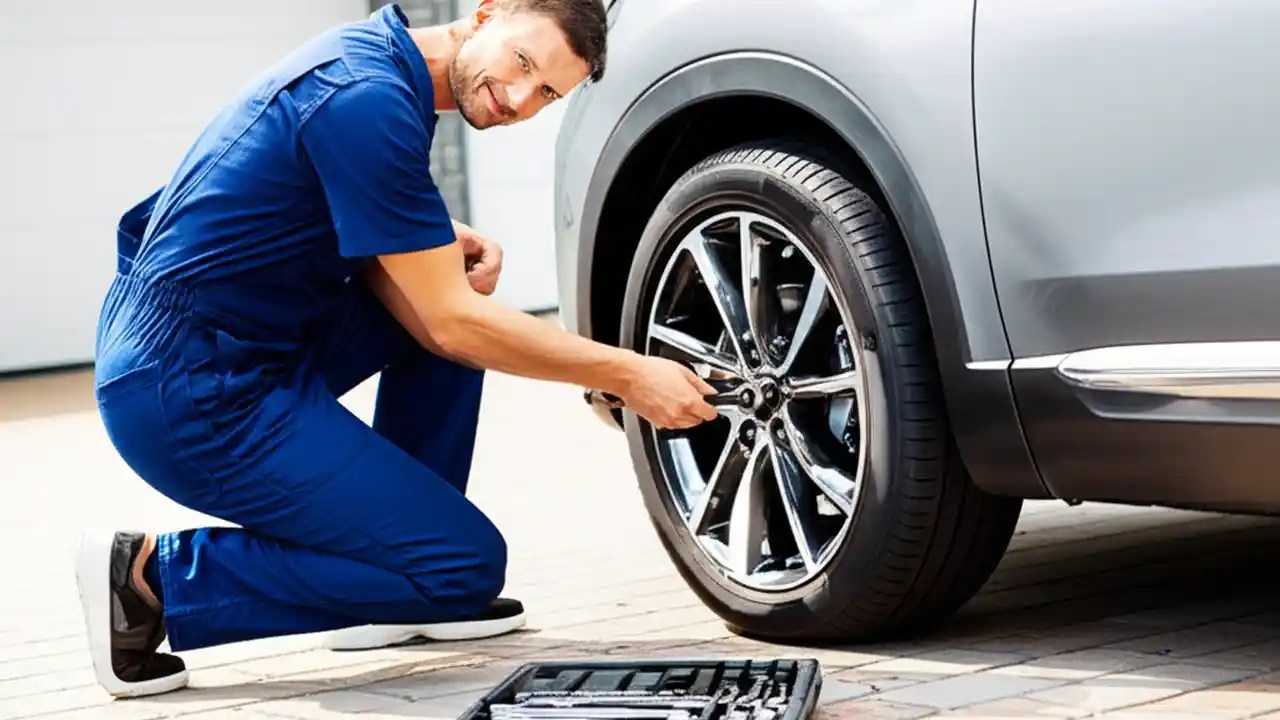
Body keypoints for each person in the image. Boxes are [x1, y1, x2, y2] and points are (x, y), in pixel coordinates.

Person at [78, 0, 718, 699]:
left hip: (239, 348)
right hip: (187, 389)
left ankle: (397, 586)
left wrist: (422, 237)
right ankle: (149, 580)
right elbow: (452, 322)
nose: (519, 100)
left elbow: (320, 212)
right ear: (486, 14)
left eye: (547, 93)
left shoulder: (376, 69)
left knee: (448, 306)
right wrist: (628, 373)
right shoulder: (364, 97)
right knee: (465, 566)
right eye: (523, 63)